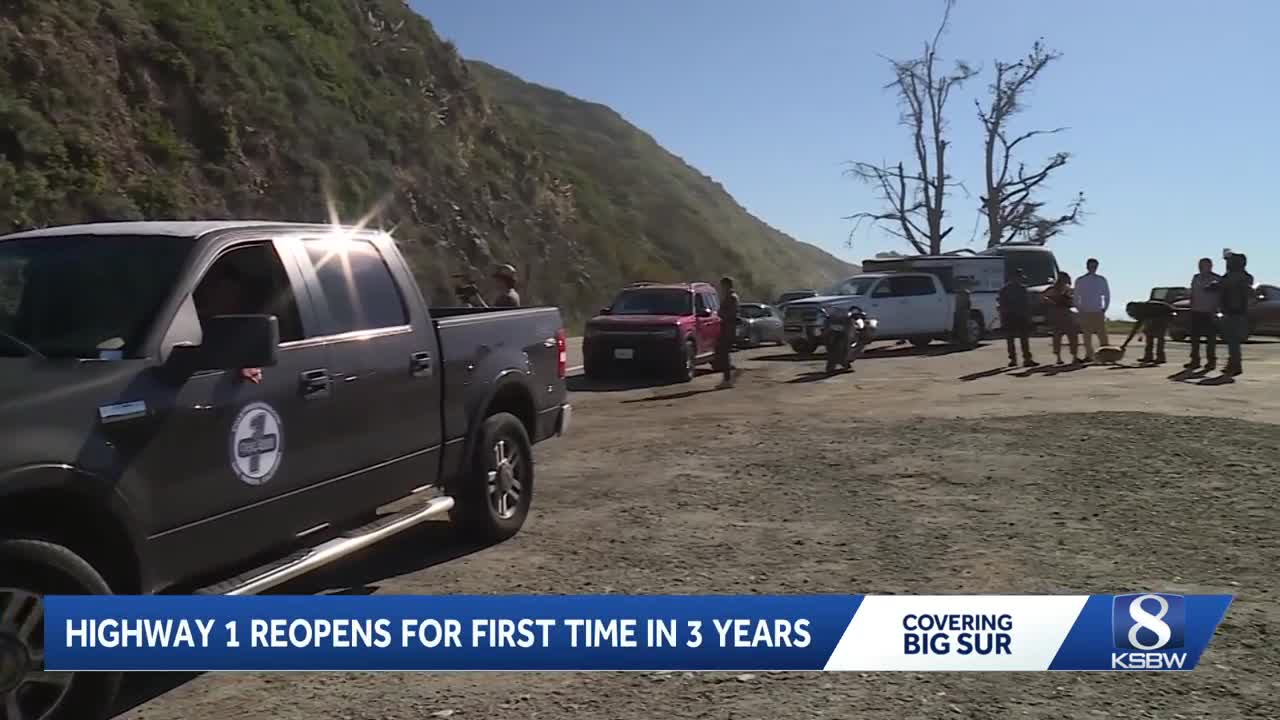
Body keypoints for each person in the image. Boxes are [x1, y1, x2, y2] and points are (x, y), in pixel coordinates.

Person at [194, 264, 263, 384]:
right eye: (217, 291)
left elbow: (260, 349)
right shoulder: (186, 321)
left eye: (230, 291)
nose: (224, 297)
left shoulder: (246, 324)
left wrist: (247, 363)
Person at [1218, 252, 1254, 376]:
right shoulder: (1239, 276)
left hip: (1235, 311)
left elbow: (1225, 285)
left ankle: (1235, 365)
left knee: (1233, 341)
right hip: (1232, 311)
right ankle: (1233, 364)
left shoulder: (1236, 277)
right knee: (1232, 341)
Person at [1185, 257, 1221, 370]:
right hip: (1196, 311)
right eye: (1200, 265)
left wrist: (1217, 309)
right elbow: (1192, 293)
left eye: (1204, 265)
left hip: (1209, 312)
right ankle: (1195, 361)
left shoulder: (1216, 279)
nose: (1201, 267)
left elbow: (1220, 296)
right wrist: (1191, 305)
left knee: (1210, 339)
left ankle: (1211, 362)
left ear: (1210, 266)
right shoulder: (1196, 278)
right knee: (1194, 339)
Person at [997, 268, 1038, 368]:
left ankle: (1021, 359)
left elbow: (1027, 304)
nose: (1019, 279)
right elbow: (1002, 304)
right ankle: (1017, 359)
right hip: (1013, 316)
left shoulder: (1012, 289)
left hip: (1017, 316)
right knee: (1015, 339)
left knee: (1019, 339)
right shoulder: (1010, 289)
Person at [1074, 258, 1110, 362]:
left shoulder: (1101, 280)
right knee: (1087, 336)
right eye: (1091, 266)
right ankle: (1089, 356)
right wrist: (1079, 308)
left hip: (1097, 310)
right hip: (1085, 311)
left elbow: (1106, 295)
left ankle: (1105, 355)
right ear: (1087, 266)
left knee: (1102, 335)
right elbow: (1076, 296)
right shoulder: (1080, 280)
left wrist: (1104, 308)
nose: (1093, 268)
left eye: (1094, 266)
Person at [1042, 271, 1082, 365]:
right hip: (1061, 313)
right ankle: (1067, 357)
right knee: (1066, 335)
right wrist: (1051, 302)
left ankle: (1064, 357)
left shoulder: (1063, 289)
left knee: (1063, 335)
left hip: (1062, 313)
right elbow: (1043, 297)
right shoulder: (1056, 289)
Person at [715, 276, 740, 388]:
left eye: (722, 285)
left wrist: (719, 314)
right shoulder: (729, 297)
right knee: (723, 354)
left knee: (724, 353)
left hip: (728, 328)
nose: (721, 288)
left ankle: (728, 380)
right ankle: (728, 378)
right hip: (727, 327)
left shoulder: (731, 297)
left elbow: (732, 314)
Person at [1140, 289, 1169, 365]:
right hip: (1154, 323)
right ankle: (1150, 356)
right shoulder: (1158, 305)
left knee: (1158, 341)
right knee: (1152, 340)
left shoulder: (1161, 306)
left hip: (1159, 322)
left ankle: (1158, 357)